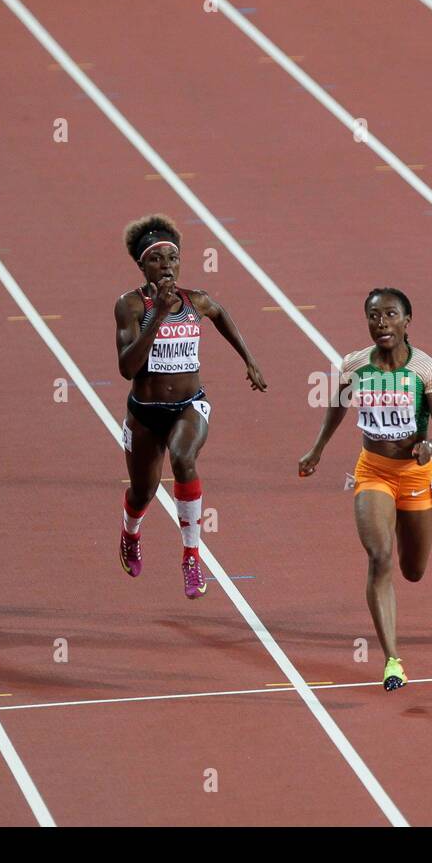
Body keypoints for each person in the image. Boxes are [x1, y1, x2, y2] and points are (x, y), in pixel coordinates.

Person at [299, 288, 432, 690]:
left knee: (413, 570)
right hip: (373, 472)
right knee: (379, 556)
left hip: (416, 475)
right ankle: (392, 660)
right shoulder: (354, 364)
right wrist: (317, 450)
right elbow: (337, 407)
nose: (381, 323)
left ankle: (394, 638)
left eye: (389, 315)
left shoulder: (426, 369)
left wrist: (431, 446)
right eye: (373, 316)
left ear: (407, 320)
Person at [115, 214, 266, 597]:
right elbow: (126, 367)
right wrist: (159, 315)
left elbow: (221, 314)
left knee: (184, 460)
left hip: (189, 406)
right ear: (141, 264)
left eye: (173, 258)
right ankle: (130, 533)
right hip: (145, 413)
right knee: (142, 492)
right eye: (157, 259)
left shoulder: (195, 300)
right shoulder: (131, 306)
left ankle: (191, 556)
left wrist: (247, 358)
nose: (167, 265)